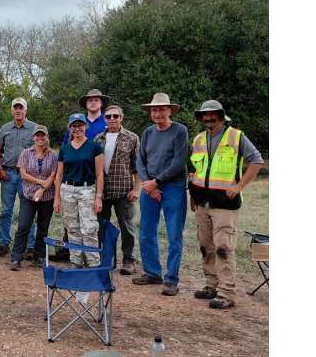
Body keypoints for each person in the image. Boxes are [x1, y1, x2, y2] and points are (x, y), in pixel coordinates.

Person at [189, 100, 264, 309]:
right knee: (206, 247)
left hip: (225, 204)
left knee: (223, 247)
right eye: (204, 115)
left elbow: (257, 160)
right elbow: (194, 170)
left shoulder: (236, 136)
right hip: (201, 202)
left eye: (212, 114)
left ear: (221, 116)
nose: (208, 118)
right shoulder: (198, 139)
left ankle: (227, 293)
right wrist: (193, 197)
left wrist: (239, 186)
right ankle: (211, 286)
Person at [133, 93, 189, 296]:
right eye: (154, 110)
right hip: (149, 187)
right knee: (146, 231)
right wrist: (149, 184)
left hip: (173, 186)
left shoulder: (180, 131)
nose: (158, 113)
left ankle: (171, 279)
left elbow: (179, 162)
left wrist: (157, 182)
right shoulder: (148, 133)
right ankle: (152, 272)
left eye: (162, 109)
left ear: (169, 111)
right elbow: (140, 160)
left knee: (174, 233)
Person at [94, 105, 141, 275]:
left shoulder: (132, 138)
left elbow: (138, 167)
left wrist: (137, 189)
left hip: (124, 190)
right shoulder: (98, 139)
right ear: (104, 119)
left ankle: (128, 260)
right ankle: (106, 259)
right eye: (108, 116)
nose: (112, 119)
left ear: (121, 117)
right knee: (102, 226)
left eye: (115, 116)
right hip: (103, 190)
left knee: (127, 226)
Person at [53, 114, 104, 267]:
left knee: (89, 228)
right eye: (74, 126)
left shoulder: (94, 147)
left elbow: (99, 174)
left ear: (85, 126)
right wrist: (57, 198)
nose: (77, 129)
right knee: (72, 228)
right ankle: (76, 261)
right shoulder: (65, 149)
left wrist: (98, 197)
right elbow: (59, 175)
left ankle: (92, 262)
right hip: (68, 189)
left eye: (80, 125)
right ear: (70, 128)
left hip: (87, 190)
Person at [10, 125, 57, 271]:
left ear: (47, 137)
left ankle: (39, 257)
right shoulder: (26, 153)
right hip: (29, 196)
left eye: (43, 135)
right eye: (37, 135)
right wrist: (40, 182)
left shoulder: (53, 155)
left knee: (43, 228)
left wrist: (42, 189)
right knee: (23, 226)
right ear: (33, 137)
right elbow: (23, 174)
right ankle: (16, 257)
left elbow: (53, 175)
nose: (40, 138)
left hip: (47, 197)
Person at [0, 97, 37, 258]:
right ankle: (4, 242)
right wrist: (0, 170)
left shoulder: (34, 128)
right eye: (15, 108)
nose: (18, 110)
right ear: (12, 110)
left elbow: (40, 150)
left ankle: (30, 246)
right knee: (6, 210)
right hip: (8, 174)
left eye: (21, 108)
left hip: (27, 176)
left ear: (26, 110)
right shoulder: (5, 128)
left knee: (28, 211)